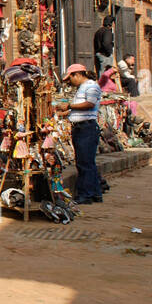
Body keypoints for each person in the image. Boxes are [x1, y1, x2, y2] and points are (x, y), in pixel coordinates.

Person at [57, 63, 103, 204]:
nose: (70, 82)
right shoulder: (83, 88)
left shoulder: (91, 86)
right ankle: (94, 192)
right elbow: (83, 107)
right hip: (82, 127)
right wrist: (67, 112)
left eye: (70, 79)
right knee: (87, 162)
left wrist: (69, 106)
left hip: (86, 128)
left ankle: (86, 194)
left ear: (77, 75)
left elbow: (90, 103)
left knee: (84, 163)